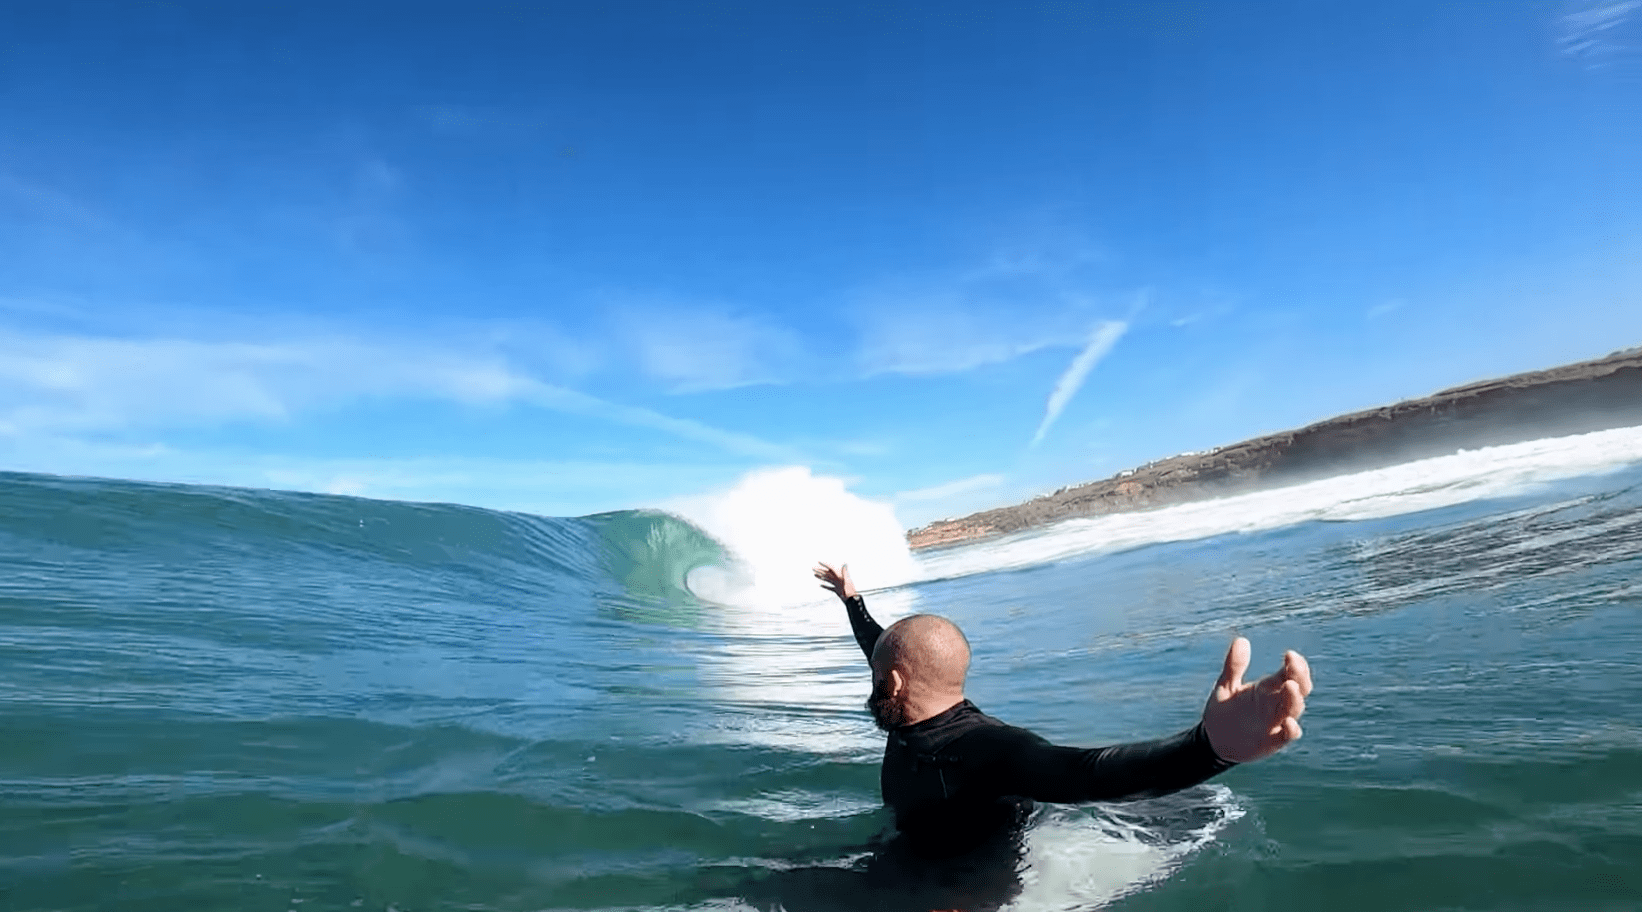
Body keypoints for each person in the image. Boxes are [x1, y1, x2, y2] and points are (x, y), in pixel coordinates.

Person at [813, 561, 1313, 860]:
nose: (872, 678)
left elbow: (1088, 773)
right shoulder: (910, 706)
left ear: (894, 683)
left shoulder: (986, 748)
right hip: (908, 848)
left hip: (966, 888)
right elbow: (881, 646)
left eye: (877, 674)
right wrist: (851, 600)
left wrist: (1208, 749)